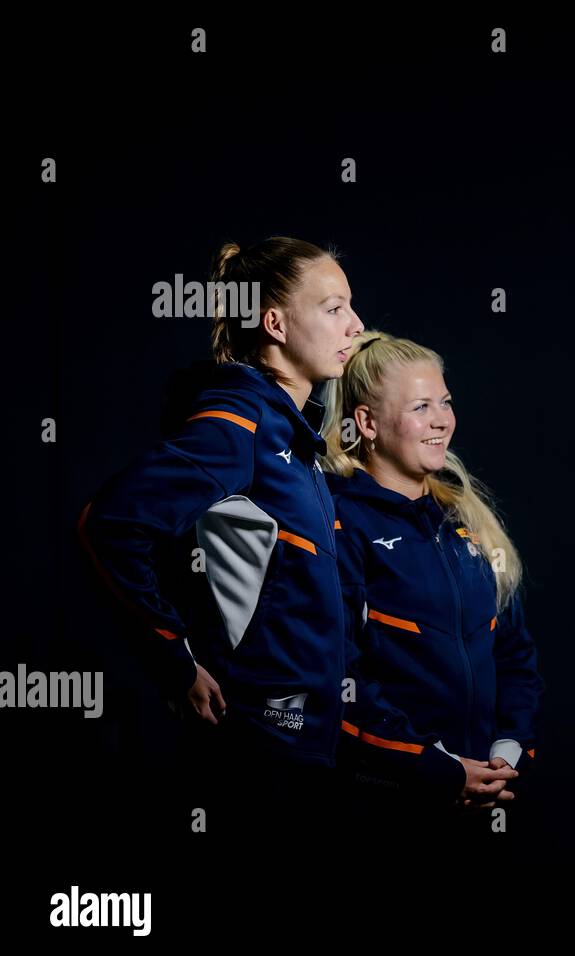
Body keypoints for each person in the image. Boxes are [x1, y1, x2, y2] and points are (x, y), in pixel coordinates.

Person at [77, 236, 365, 848]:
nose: (356, 325)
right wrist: (173, 657)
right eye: (335, 307)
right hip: (259, 755)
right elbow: (111, 522)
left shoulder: (297, 442)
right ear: (276, 323)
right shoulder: (239, 421)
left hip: (313, 753)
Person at [320, 330, 543, 840]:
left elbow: (512, 654)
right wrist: (431, 765)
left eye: (445, 402)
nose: (442, 419)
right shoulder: (337, 521)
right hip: (382, 810)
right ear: (367, 423)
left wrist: (508, 753)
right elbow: (336, 680)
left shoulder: (465, 520)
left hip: (484, 803)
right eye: (421, 406)